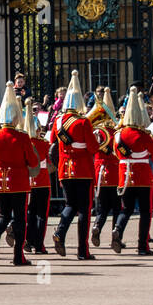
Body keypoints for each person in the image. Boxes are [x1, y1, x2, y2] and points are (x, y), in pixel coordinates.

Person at [111, 87, 153, 256]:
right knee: (145, 212)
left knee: (126, 209)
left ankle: (118, 229)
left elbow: (117, 155)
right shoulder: (145, 136)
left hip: (125, 176)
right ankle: (142, 245)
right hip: (143, 177)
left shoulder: (118, 135)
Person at [0, 84, 40, 265]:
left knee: (3, 216)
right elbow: (33, 161)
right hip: (18, 182)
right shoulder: (22, 137)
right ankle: (18, 256)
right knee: (19, 218)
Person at [50, 70, 97, 259]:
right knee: (84, 209)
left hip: (64, 169)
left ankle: (60, 232)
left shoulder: (58, 121)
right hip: (82, 169)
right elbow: (93, 148)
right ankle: (82, 251)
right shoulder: (83, 122)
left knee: (70, 204)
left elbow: (53, 141)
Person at [90, 88, 121, 248]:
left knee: (102, 207)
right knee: (116, 207)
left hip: (99, 172)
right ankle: (116, 237)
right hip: (114, 171)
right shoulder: (116, 131)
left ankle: (97, 227)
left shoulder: (96, 131)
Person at [24, 99, 51, 255]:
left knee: (30, 213)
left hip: (27, 182)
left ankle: (28, 240)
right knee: (42, 215)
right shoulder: (42, 143)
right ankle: (39, 245)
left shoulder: (25, 142)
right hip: (41, 181)